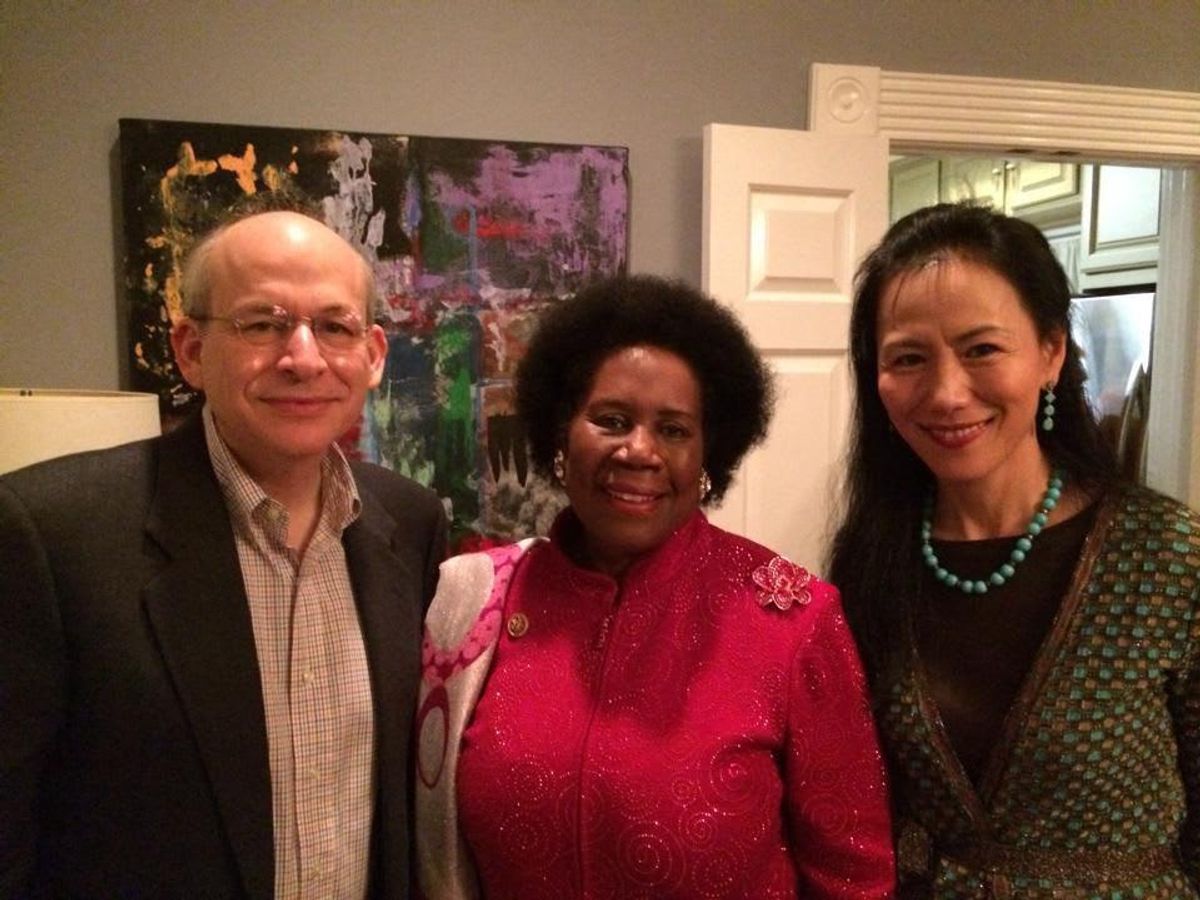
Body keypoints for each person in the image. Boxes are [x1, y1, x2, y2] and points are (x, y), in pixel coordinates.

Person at [0, 207, 448, 898]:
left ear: (374, 355)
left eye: (333, 326)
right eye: (262, 323)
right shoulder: (50, 535)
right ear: (189, 349)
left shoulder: (410, 526)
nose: (303, 358)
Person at [416, 274, 895, 899]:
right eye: (611, 420)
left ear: (708, 457)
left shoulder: (793, 619)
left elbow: (855, 876)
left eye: (673, 430)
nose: (638, 451)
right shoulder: (476, 601)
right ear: (561, 435)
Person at [828, 201, 1200, 897]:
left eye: (982, 349)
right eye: (908, 357)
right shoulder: (872, 561)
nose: (946, 392)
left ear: (1051, 353)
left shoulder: (1168, 557)